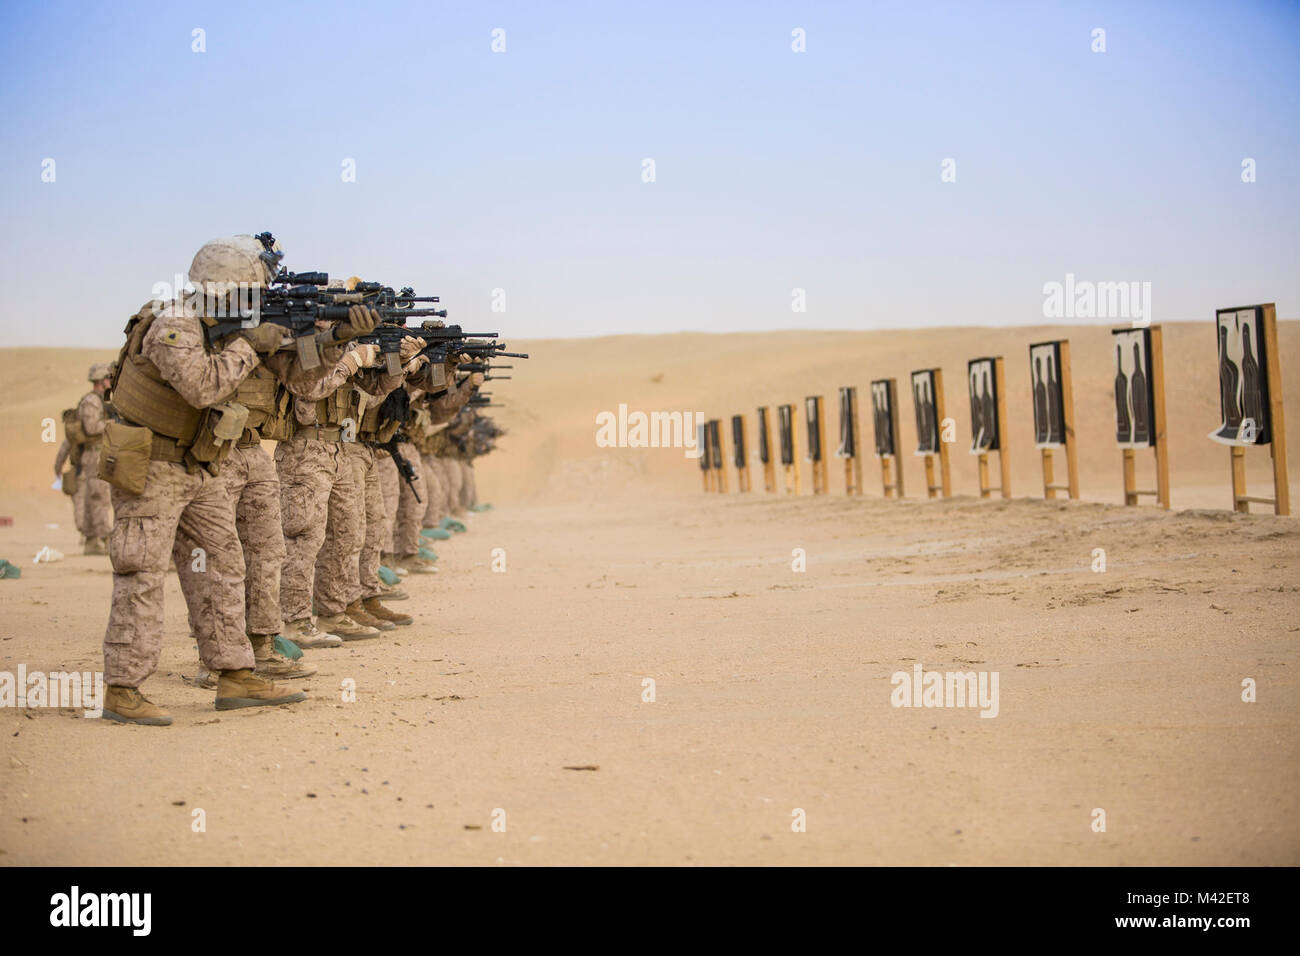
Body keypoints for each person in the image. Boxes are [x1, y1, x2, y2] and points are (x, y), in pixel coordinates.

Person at [100, 235, 308, 725]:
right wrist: (248, 347)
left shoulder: (217, 328)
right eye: (250, 292)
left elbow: (295, 374)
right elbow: (201, 387)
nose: (256, 302)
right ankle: (122, 687)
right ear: (224, 288)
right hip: (153, 467)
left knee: (222, 565)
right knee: (142, 573)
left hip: (198, 466)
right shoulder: (174, 323)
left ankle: (234, 674)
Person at [59, 363, 115, 554]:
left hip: (100, 454)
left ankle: (94, 540)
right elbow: (92, 428)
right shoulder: (91, 402)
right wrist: (114, 423)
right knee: (100, 497)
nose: (110, 382)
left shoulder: (100, 400)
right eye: (108, 378)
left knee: (98, 497)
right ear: (101, 380)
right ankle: (104, 538)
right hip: (94, 456)